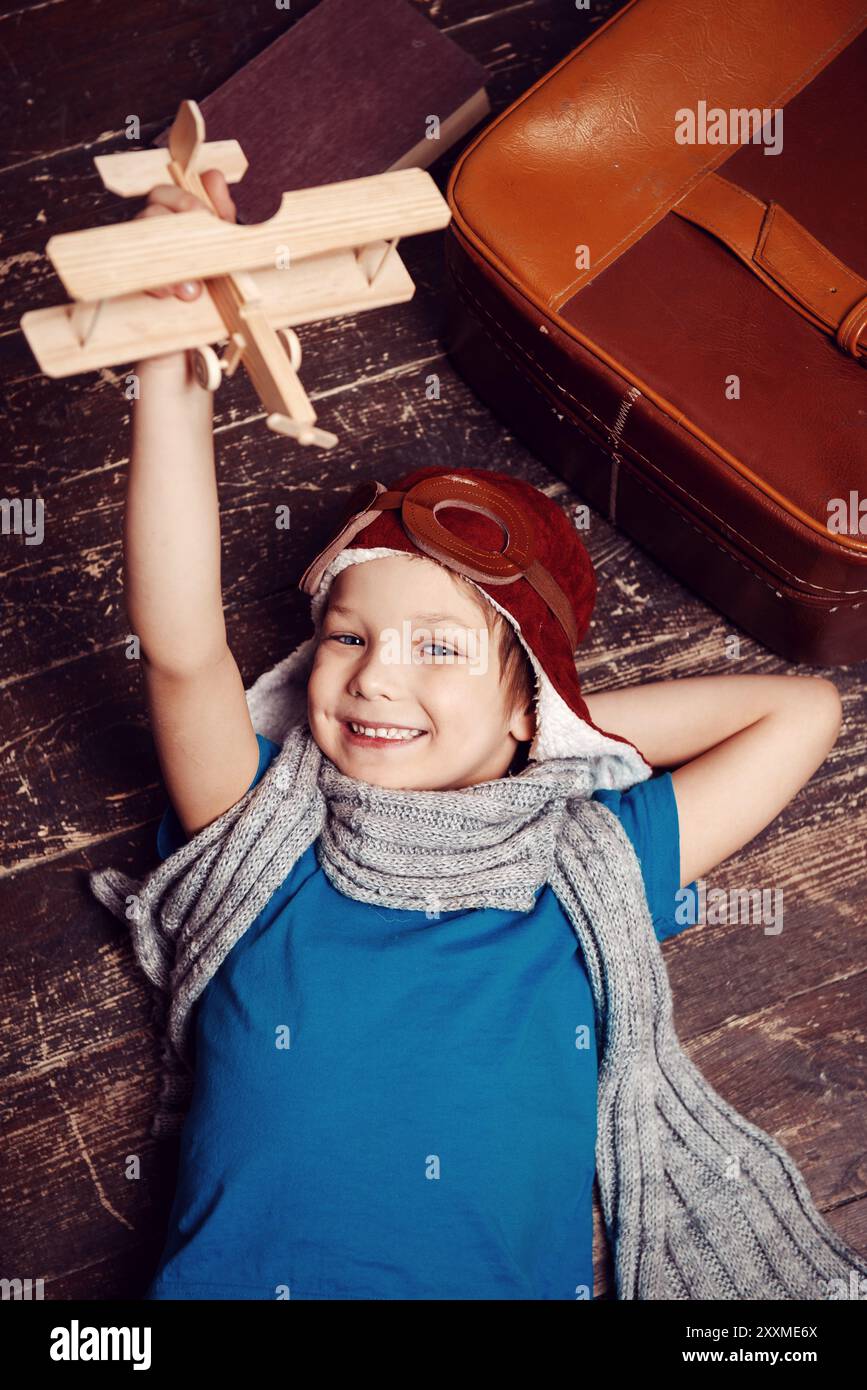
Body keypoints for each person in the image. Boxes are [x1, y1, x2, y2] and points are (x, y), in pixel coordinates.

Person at [89, 171, 859, 1301]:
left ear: (526, 698)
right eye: (347, 639)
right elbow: (181, 646)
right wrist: (170, 356)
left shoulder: (583, 869)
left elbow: (802, 713)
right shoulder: (261, 837)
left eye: (439, 650)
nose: (375, 677)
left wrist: (549, 726)